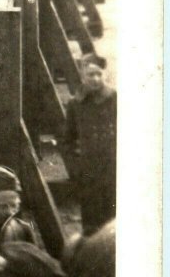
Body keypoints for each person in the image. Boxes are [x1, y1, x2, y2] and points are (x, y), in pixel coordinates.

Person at [63, 54, 116, 234]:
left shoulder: (114, 99)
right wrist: (75, 167)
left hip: (112, 166)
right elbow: (67, 140)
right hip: (89, 170)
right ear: (83, 76)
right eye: (90, 75)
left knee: (113, 215)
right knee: (91, 216)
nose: (95, 79)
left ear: (104, 75)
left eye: (98, 74)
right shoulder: (75, 104)